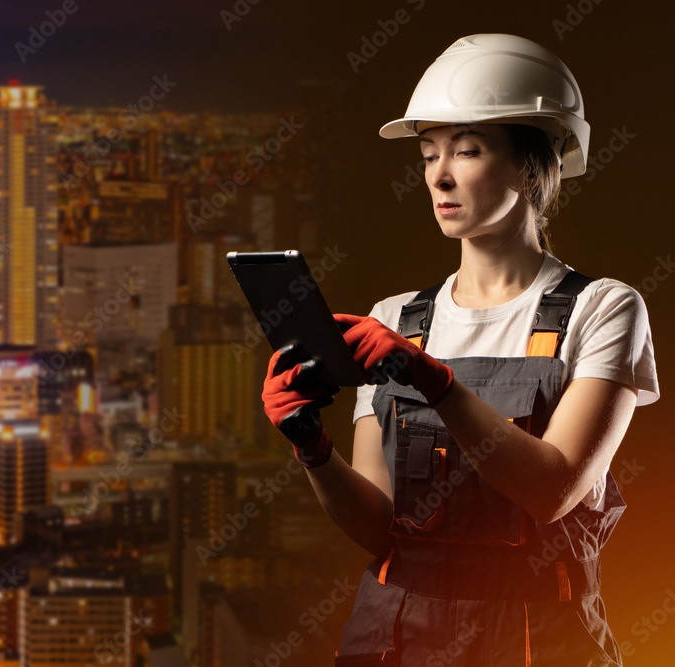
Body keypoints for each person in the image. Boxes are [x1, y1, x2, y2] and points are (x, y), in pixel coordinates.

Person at [261, 34, 659, 665]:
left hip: (536, 640)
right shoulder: (396, 320)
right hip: (392, 638)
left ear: (535, 164)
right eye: (427, 155)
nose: (439, 175)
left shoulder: (603, 308)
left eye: (467, 151)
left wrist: (434, 381)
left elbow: (553, 489)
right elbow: (378, 528)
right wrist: (311, 445)